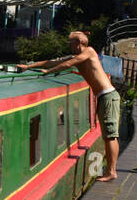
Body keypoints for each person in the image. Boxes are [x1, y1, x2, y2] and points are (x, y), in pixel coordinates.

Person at [17, 30, 120, 180]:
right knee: (107, 135)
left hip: (108, 96)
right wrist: (29, 66)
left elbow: (68, 64)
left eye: (70, 43)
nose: (69, 46)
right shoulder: (80, 56)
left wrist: (49, 72)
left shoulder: (89, 52)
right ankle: (110, 170)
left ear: (78, 43)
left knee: (110, 135)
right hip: (103, 97)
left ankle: (111, 171)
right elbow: (53, 62)